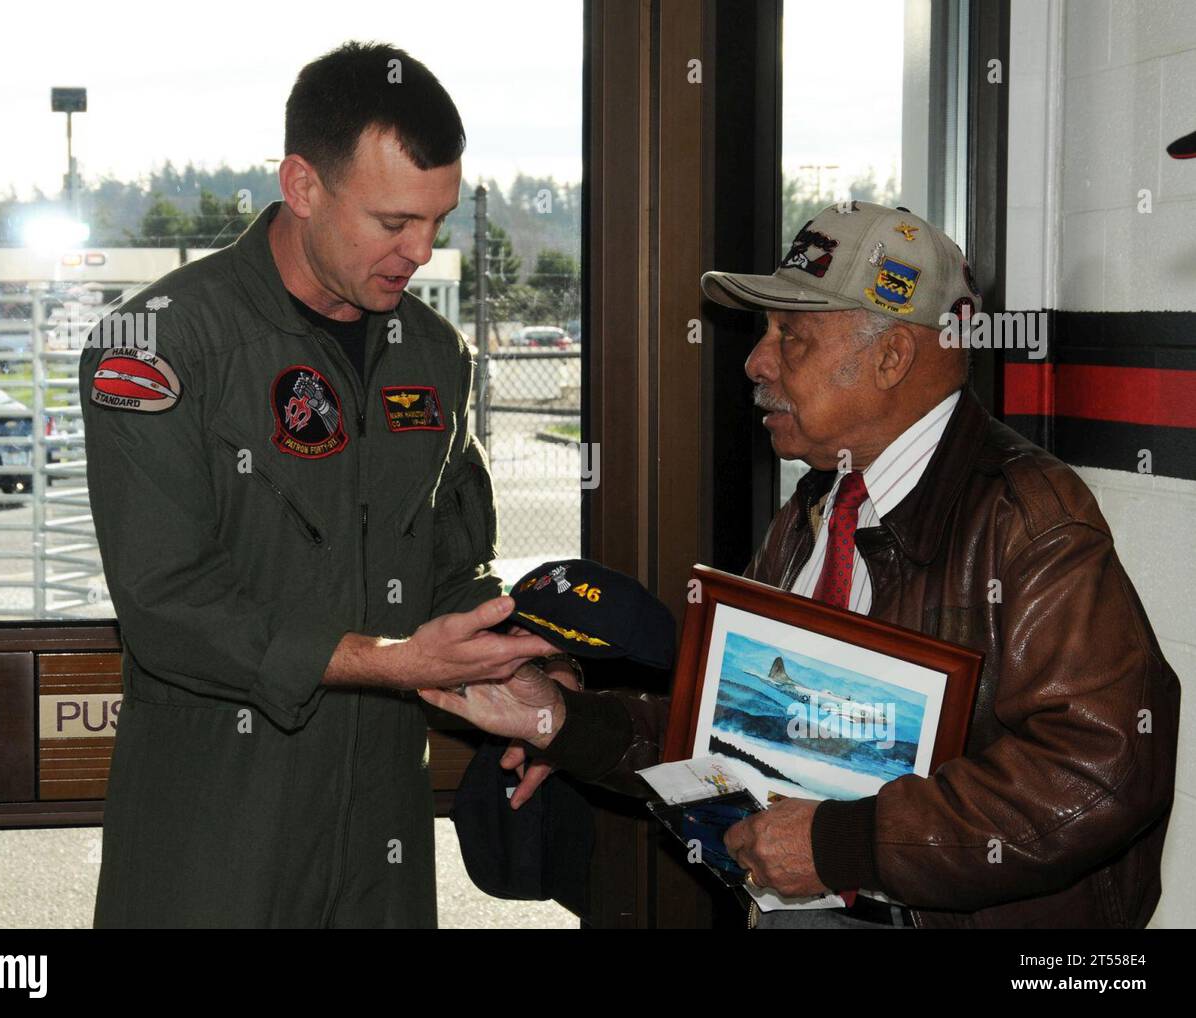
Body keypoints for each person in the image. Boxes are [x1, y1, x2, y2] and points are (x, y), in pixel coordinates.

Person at [422, 202, 1181, 929]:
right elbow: (722, 734)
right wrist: (558, 720)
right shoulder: (821, 505)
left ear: (891, 356)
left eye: (793, 336)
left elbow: (1102, 771)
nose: (757, 360)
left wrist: (840, 846)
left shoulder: (1029, 517)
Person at [80, 41, 554, 928]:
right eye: (391, 221)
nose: (420, 250)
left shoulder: (435, 353)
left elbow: (455, 564)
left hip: (381, 836)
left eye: (437, 220)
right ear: (302, 186)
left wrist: (524, 676)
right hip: (217, 833)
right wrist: (389, 662)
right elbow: (167, 603)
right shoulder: (157, 346)